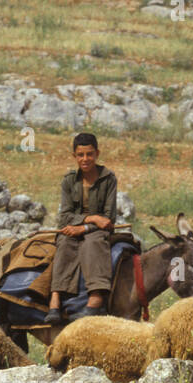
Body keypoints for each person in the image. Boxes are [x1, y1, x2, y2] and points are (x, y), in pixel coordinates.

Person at [46, 132, 118, 325]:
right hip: (77, 226)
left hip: (98, 231)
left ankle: (96, 297)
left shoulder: (109, 179)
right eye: (80, 155)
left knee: (93, 243)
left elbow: (109, 218)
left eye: (89, 154)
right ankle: (55, 298)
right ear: (74, 156)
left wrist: (86, 228)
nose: (85, 159)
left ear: (97, 154)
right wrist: (91, 218)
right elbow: (65, 217)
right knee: (64, 242)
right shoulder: (69, 180)